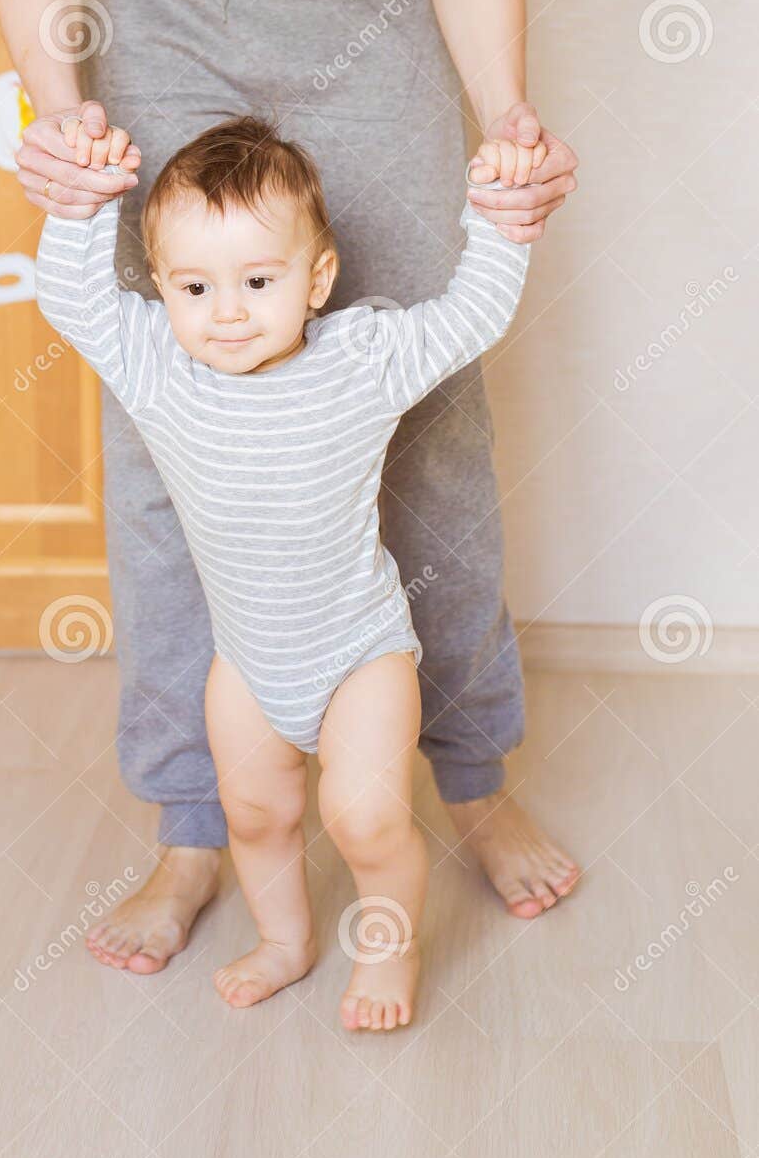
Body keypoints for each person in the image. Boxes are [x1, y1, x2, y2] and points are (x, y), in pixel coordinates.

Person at [0, 0, 581, 974]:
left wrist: (506, 128)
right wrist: (64, 111)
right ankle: (195, 820)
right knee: (168, 415)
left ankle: (469, 779)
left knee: (423, 406)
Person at [36, 113, 540, 1029]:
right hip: (248, 662)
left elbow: (473, 314)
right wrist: (83, 203)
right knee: (258, 818)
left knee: (366, 820)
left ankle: (388, 952)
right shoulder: (157, 366)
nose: (226, 311)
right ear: (160, 287)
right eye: (194, 286)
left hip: (361, 653)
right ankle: (283, 942)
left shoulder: (363, 359)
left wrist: (502, 218)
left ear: (318, 279)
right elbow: (72, 300)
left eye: (258, 281)